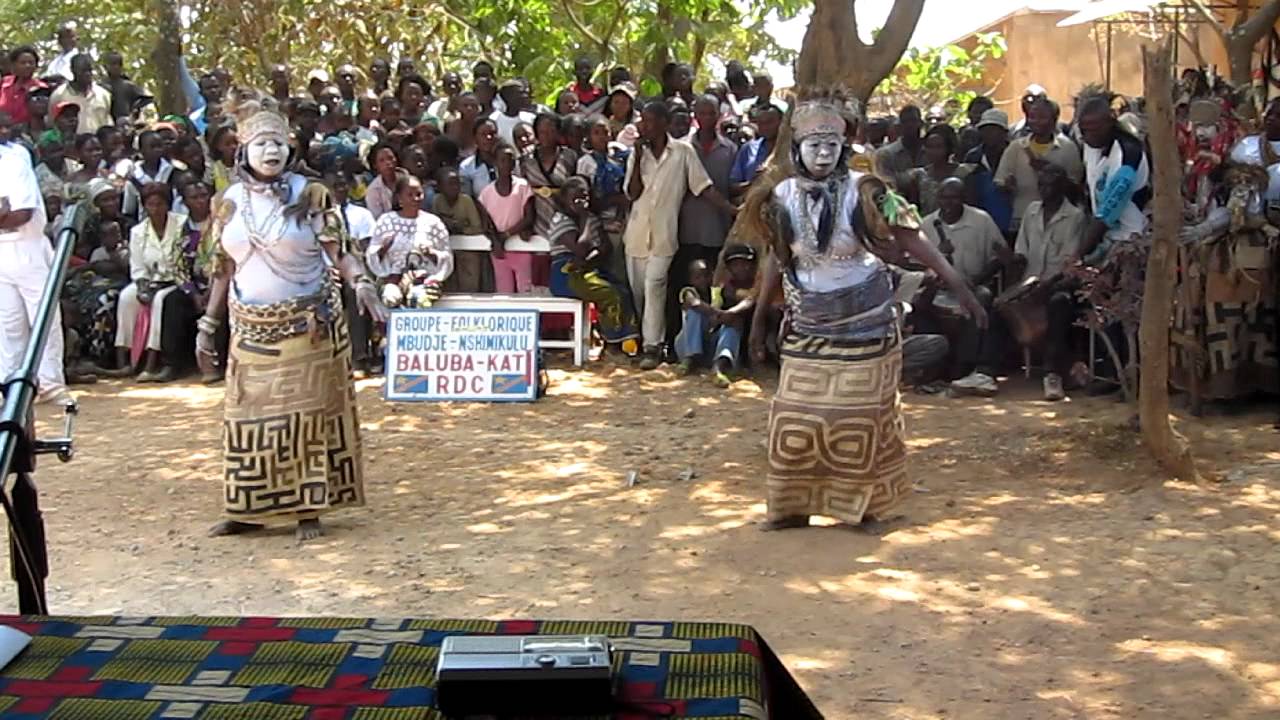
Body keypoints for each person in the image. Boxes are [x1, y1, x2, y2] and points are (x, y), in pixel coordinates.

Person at [747, 91, 985, 531]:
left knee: (862, 420)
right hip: (808, 325)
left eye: (831, 145)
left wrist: (962, 288)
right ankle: (791, 505)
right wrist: (759, 318)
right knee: (797, 417)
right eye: (813, 144)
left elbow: (916, 242)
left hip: (866, 325)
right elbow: (777, 259)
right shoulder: (779, 196)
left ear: (844, 148)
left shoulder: (867, 192)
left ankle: (866, 508)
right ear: (796, 149)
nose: (822, 152)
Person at [199, 94, 378, 542]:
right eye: (261, 144)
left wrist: (362, 284)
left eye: (278, 144)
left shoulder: (310, 194)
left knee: (304, 422)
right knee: (248, 422)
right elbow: (222, 268)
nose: (272, 152)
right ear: (242, 150)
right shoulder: (229, 203)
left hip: (308, 325)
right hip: (250, 328)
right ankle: (248, 508)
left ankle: (307, 509)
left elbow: (341, 254)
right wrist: (208, 323)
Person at [624, 100, 736, 369]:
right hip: (637, 234)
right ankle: (648, 338)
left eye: (650, 121)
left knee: (655, 285)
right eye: (643, 121)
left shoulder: (683, 152)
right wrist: (639, 156)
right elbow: (632, 192)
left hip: (664, 235)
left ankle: (652, 347)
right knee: (640, 293)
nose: (644, 126)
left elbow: (703, 186)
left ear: (663, 123)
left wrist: (732, 210)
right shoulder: (636, 154)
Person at [0, 111, 68, 405]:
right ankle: (11, 386)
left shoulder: (14, 159)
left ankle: (50, 382)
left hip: (27, 247)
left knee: (42, 317)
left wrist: (6, 213)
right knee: (8, 323)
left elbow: (21, 213)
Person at [920, 177, 1009, 395]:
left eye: (954, 198)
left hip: (973, 285)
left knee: (982, 297)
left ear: (964, 199)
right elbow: (915, 264)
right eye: (943, 198)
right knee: (919, 304)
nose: (948, 203)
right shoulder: (927, 224)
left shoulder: (982, 220)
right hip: (939, 288)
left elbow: (1000, 256)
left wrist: (977, 278)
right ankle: (935, 368)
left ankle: (966, 367)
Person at [1011, 164, 1088, 401]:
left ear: (1062, 187)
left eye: (1050, 185)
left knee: (1059, 302)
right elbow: (1021, 251)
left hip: (1060, 283)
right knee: (995, 304)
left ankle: (1052, 373)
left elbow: (1070, 262)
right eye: (1041, 185)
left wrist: (1046, 285)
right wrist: (1012, 263)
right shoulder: (1032, 211)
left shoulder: (1074, 216)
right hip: (1031, 283)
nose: (1044, 190)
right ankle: (988, 369)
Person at [671, 95, 737, 346]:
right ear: (694, 116)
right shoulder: (680, 147)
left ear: (719, 116)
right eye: (702, 114)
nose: (707, 119)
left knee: (714, 290)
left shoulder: (730, 149)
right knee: (683, 289)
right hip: (685, 231)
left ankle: (711, 345)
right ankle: (680, 344)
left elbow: (731, 186)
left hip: (717, 231)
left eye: (712, 114)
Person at [546, 176, 639, 349]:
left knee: (622, 290)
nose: (581, 202)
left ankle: (623, 343)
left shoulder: (592, 219)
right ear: (565, 199)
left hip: (589, 268)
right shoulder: (561, 220)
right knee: (608, 292)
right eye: (576, 198)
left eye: (585, 197)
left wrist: (590, 255)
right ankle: (612, 345)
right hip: (565, 274)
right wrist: (585, 219)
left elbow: (605, 248)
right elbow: (580, 248)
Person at [112, 182, 184, 381]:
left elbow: (184, 263)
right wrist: (143, 288)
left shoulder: (181, 225)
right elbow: (137, 267)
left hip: (175, 282)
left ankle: (153, 362)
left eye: (160, 204)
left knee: (160, 300)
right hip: (150, 281)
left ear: (168, 204)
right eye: (151, 205)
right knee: (127, 297)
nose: (155, 209)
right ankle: (124, 360)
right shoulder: (138, 232)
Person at [1077, 95, 1150, 263]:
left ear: (1110, 123)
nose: (1088, 136)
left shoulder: (1127, 154)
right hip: (1105, 238)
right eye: (1083, 131)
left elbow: (1109, 210)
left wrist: (1079, 254)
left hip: (1129, 241)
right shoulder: (1090, 146)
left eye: (1094, 130)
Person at [996, 97, 1084, 234]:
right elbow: (1000, 182)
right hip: (1023, 219)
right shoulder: (1016, 147)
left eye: (1042, 117)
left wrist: (1051, 171)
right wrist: (1007, 185)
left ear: (1054, 120)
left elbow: (1076, 187)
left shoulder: (1068, 148)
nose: (1036, 122)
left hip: (1058, 220)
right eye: (1032, 117)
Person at [674, 244, 756, 387]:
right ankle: (689, 358)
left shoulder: (719, 291)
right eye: (697, 277)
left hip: (709, 346)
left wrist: (730, 314)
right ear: (691, 280)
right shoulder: (688, 291)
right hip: (686, 344)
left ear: (712, 275)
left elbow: (749, 300)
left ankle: (719, 366)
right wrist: (719, 314)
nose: (702, 280)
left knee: (734, 324)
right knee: (695, 313)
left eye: (706, 275)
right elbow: (695, 303)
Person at [366, 173, 453, 307]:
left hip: (423, 280)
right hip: (392, 280)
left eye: (418, 194)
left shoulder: (433, 223)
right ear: (399, 198)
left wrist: (431, 253)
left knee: (419, 300)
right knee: (390, 297)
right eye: (410, 195)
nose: (415, 199)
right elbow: (373, 255)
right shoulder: (386, 221)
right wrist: (384, 248)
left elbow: (446, 257)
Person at [328, 168, 377, 375]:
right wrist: (330, 269)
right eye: (334, 185)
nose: (340, 189)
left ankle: (360, 357)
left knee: (357, 291)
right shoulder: (321, 216)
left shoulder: (362, 214)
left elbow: (367, 247)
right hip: (327, 271)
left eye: (343, 184)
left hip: (356, 268)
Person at [578, 114, 631, 283]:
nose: (602, 137)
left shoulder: (620, 158)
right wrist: (612, 200)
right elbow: (584, 194)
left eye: (605, 132)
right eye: (596, 132)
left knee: (620, 270)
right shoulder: (585, 162)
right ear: (588, 136)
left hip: (621, 222)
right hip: (598, 223)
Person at [480, 144, 536, 293]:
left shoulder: (523, 186)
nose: (506, 164)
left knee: (525, 289)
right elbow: (486, 223)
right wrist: (496, 240)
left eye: (510, 160)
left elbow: (528, 217)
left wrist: (506, 235)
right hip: (500, 251)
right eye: (502, 160)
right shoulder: (486, 193)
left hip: (520, 247)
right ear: (495, 162)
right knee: (504, 291)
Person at [520, 113, 578, 238]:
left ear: (558, 133)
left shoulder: (569, 156)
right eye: (543, 132)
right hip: (535, 220)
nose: (547, 136)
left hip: (563, 221)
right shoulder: (526, 159)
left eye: (552, 131)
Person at [433, 166, 488, 292]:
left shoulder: (466, 201)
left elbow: (477, 227)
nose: (455, 187)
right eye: (450, 184)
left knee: (469, 286)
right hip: (447, 250)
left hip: (469, 250)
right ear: (440, 187)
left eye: (457, 184)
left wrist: (460, 228)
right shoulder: (437, 201)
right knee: (449, 286)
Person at [963, 108, 1014, 237]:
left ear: (1004, 132)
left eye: (994, 129)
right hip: (980, 224)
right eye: (985, 129)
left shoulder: (1015, 153)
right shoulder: (973, 156)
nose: (989, 134)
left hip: (1010, 224)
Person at [50, 55, 113, 135]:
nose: (87, 74)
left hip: (98, 144)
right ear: (72, 70)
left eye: (89, 70)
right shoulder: (59, 95)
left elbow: (107, 122)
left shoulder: (103, 94)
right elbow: (52, 124)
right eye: (83, 71)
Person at [730, 103, 782, 197]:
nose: (765, 127)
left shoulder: (792, 149)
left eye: (770, 122)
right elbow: (733, 187)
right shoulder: (748, 149)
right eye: (761, 123)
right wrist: (753, 183)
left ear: (781, 122)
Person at [906, 124, 959, 217]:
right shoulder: (918, 176)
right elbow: (914, 208)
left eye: (939, 147)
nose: (933, 151)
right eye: (929, 147)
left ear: (949, 148)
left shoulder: (962, 173)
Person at [877, 104, 925, 192]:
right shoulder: (886, 154)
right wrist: (910, 176)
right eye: (906, 121)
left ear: (921, 123)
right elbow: (885, 184)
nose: (910, 125)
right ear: (900, 125)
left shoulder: (931, 151)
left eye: (913, 121)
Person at [0, 47, 46, 127]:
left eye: (31, 63)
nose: (27, 66)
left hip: (25, 133)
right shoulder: (4, 83)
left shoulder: (41, 88)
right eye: (23, 63)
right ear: (13, 65)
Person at [102, 51, 148, 122]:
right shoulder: (100, 87)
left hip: (124, 121)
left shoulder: (127, 85)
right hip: (106, 122)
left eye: (119, 64)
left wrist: (135, 110)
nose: (116, 67)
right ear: (106, 66)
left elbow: (147, 98)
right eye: (113, 64)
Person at [460, 117, 499, 198]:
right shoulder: (466, 166)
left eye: (492, 133)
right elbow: (467, 198)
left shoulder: (508, 161)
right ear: (475, 138)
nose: (488, 138)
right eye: (483, 134)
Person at [491, 80, 536, 146]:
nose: (524, 96)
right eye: (520, 93)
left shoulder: (531, 118)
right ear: (508, 96)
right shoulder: (494, 120)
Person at [364, 141, 400, 219]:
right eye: (382, 160)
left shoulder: (409, 180)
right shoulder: (373, 190)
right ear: (375, 165)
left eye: (390, 158)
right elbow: (378, 219)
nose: (388, 163)